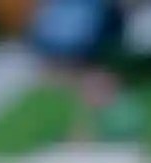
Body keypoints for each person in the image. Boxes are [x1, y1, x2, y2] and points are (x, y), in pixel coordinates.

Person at [29, 0, 144, 142]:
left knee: (91, 85)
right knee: (84, 87)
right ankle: (90, 129)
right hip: (77, 38)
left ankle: (100, 128)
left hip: (88, 38)